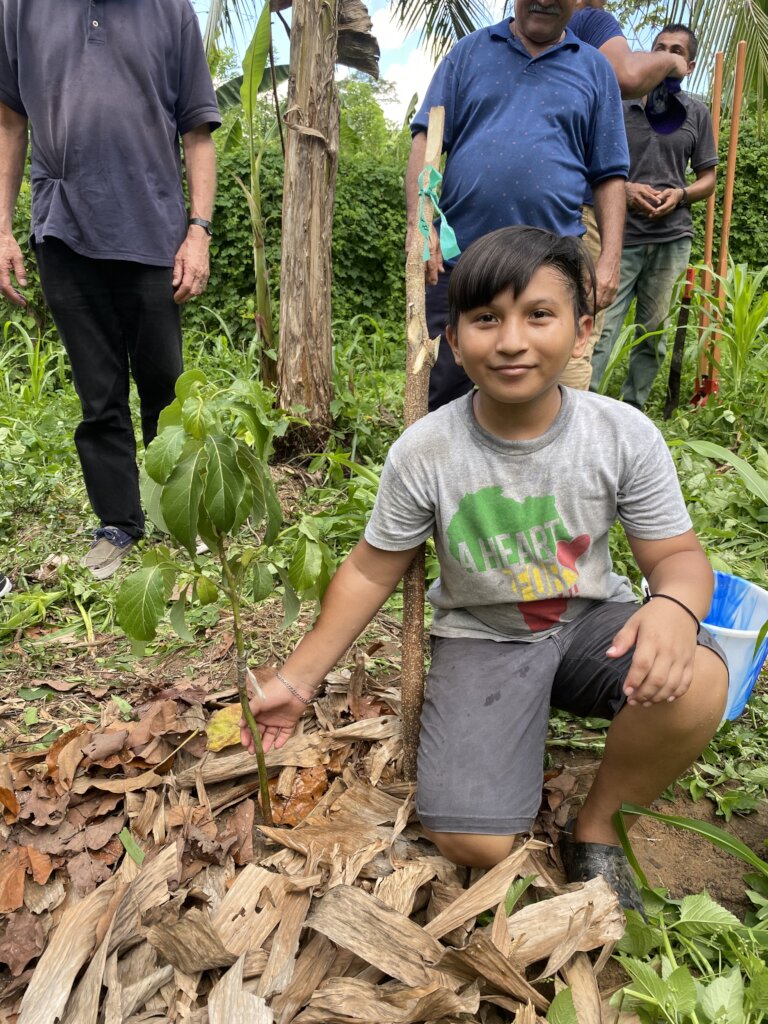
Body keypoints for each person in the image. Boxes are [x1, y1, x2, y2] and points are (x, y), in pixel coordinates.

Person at [240, 226, 728, 912]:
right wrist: (296, 679)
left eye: (539, 314)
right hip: (484, 639)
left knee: (701, 677)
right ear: (454, 341)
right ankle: (505, 748)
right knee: (473, 841)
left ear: (583, 331)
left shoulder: (621, 434)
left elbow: (676, 557)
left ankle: (599, 827)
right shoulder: (427, 452)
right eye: (486, 319)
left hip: (594, 627)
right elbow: (371, 572)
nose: (512, 340)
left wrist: (676, 610)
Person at [0, 1, 220, 579]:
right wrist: (1, 228)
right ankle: (119, 524)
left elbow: (198, 132)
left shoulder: (173, 11)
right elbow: (9, 123)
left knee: (164, 390)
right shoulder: (18, 9)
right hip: (62, 230)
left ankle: (178, 520)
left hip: (152, 231)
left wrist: (197, 232)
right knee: (98, 394)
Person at [405, 0, 630, 412]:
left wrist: (610, 258)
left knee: (554, 402)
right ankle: (438, 477)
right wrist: (422, 227)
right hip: (462, 262)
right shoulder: (468, 53)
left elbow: (610, 173)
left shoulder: (594, 69)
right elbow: (428, 140)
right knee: (442, 394)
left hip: (552, 269)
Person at [589, 25, 717, 408]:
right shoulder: (618, 103)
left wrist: (680, 195)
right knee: (600, 326)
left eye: (675, 50)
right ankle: (587, 405)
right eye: (659, 47)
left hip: (671, 237)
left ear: (688, 65)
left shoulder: (697, 112)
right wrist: (624, 191)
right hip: (619, 234)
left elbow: (708, 178)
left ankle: (634, 409)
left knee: (654, 330)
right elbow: (593, 166)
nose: (666, 54)